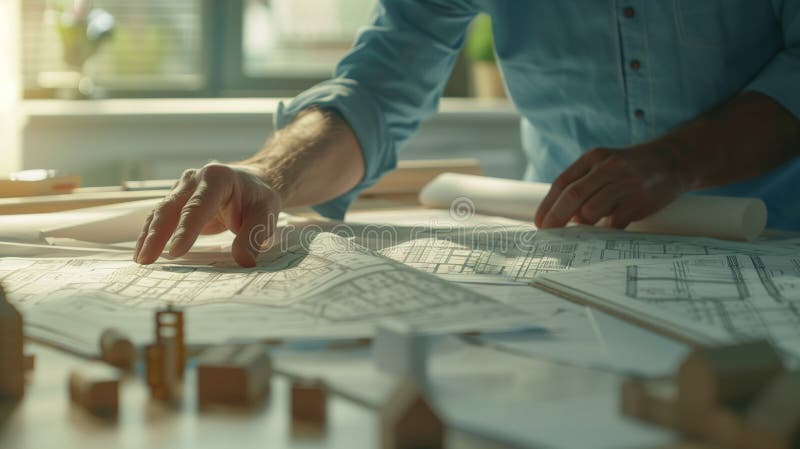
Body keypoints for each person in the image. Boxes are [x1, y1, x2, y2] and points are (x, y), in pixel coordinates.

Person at [135, 1, 800, 268]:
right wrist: (269, 174)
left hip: (778, 239)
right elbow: (379, 86)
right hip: (577, 252)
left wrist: (676, 161)